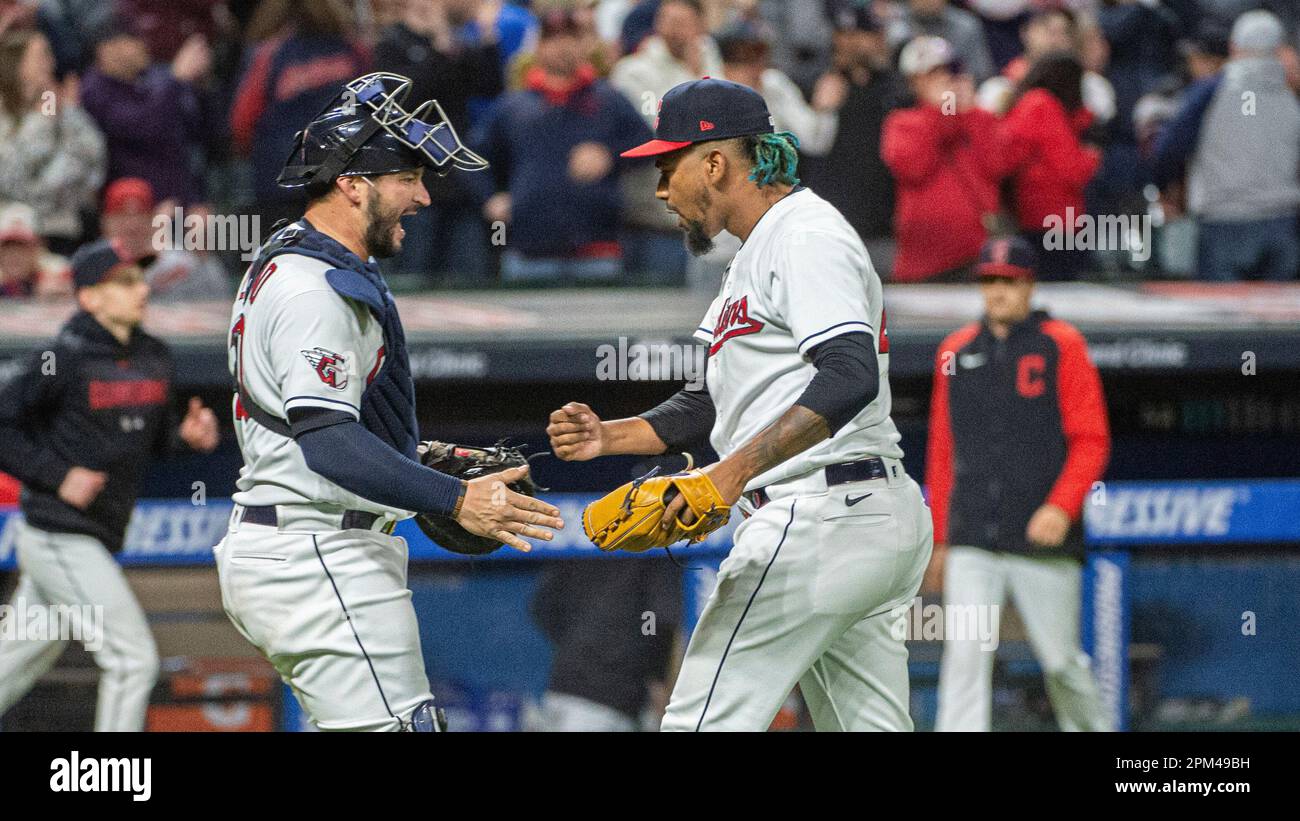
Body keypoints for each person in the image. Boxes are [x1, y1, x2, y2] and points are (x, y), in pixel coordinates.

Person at [548, 78, 933, 731]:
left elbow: (850, 373)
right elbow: (709, 402)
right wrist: (612, 436)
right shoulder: (758, 252)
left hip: (816, 515)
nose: (662, 190)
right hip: (856, 516)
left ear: (717, 163)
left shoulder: (805, 236)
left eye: (670, 168)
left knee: (697, 721)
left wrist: (728, 474)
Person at [214, 72, 563, 732]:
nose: (425, 197)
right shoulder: (314, 289)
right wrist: (459, 498)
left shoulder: (297, 257)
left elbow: (315, 422)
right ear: (353, 182)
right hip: (316, 550)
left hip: (311, 544)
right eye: (408, 177)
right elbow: (327, 442)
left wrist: (415, 457)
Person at [0, 238, 220, 731]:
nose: (139, 288)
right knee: (132, 659)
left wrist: (184, 437)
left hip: (96, 533)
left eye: (140, 277)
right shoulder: (62, 357)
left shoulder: (155, 356)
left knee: (14, 662)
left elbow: (152, 435)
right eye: (122, 281)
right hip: (58, 534)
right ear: (89, 297)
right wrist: (58, 475)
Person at [924, 236, 1111, 732]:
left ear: (1029, 285)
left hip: (1040, 535)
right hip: (972, 540)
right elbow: (942, 453)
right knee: (964, 658)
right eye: (989, 281)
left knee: (1061, 663)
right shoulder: (954, 351)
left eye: (1008, 281)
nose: (997, 292)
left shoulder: (1061, 343)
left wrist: (1062, 506)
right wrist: (941, 537)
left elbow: (1091, 439)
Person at [467, 9, 652, 285]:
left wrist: (610, 155)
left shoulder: (609, 99)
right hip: (528, 249)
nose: (562, 46)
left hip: (598, 247)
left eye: (571, 38)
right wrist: (491, 198)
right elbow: (472, 159)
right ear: (539, 47)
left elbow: (649, 144)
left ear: (585, 45)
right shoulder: (513, 106)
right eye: (552, 38)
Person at [1153, 10, 1300, 281]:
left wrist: (1165, 187)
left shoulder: (1209, 91)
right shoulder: (1291, 94)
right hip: (1283, 220)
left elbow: (1170, 147)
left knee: (1221, 319)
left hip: (1223, 221)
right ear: (1279, 49)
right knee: (1283, 319)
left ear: (1234, 46)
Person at [373, 0, 505, 282]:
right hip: (411, 180)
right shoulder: (391, 44)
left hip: (458, 180)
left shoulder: (454, 43)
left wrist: (487, 36)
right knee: (412, 276)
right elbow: (409, 96)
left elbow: (490, 86)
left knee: (469, 278)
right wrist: (440, 49)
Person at [230, 0, 371, 230]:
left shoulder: (269, 53)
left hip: (283, 183)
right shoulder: (353, 50)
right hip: (341, 184)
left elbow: (243, 122)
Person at [610, 0, 722, 284]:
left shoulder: (712, 60)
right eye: (667, 21)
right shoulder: (633, 70)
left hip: (711, 225)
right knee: (654, 315)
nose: (674, 30)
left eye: (682, 22)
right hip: (656, 225)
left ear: (700, 27)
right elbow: (664, 129)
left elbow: (725, 125)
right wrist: (693, 75)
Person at [881, 36, 1004, 282]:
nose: (945, 81)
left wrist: (969, 110)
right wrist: (944, 107)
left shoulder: (976, 117)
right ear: (913, 81)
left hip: (974, 255)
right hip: (922, 263)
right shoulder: (902, 122)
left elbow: (997, 165)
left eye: (948, 73)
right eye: (933, 74)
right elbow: (914, 168)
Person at [800, 4, 905, 273]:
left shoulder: (896, 90)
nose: (848, 43)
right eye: (842, 35)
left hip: (881, 226)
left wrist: (949, 101)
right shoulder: (812, 84)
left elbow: (947, 110)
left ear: (878, 38)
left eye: (859, 35)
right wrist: (819, 111)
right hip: (825, 227)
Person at [80, 17, 211, 206]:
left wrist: (200, 86)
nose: (143, 46)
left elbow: (199, 131)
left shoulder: (149, 80)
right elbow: (144, 126)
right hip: (134, 207)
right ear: (106, 49)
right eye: (133, 40)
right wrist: (176, 79)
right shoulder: (94, 90)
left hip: (179, 199)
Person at [0, 30, 105, 256]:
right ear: (16, 63)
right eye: (42, 56)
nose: (51, 63)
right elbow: (14, 181)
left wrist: (69, 114)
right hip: (10, 237)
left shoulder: (66, 110)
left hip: (64, 233)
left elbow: (94, 164)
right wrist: (44, 122)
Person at [1000, 52, 1101, 280]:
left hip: (1036, 217)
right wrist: (1093, 156)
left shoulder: (1028, 102)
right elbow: (1073, 171)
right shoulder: (1042, 105)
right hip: (1052, 221)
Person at [0, 202, 72, 299]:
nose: (14, 255)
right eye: (7, 247)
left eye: (22, 247)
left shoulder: (57, 272)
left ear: (38, 247)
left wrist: (62, 294)